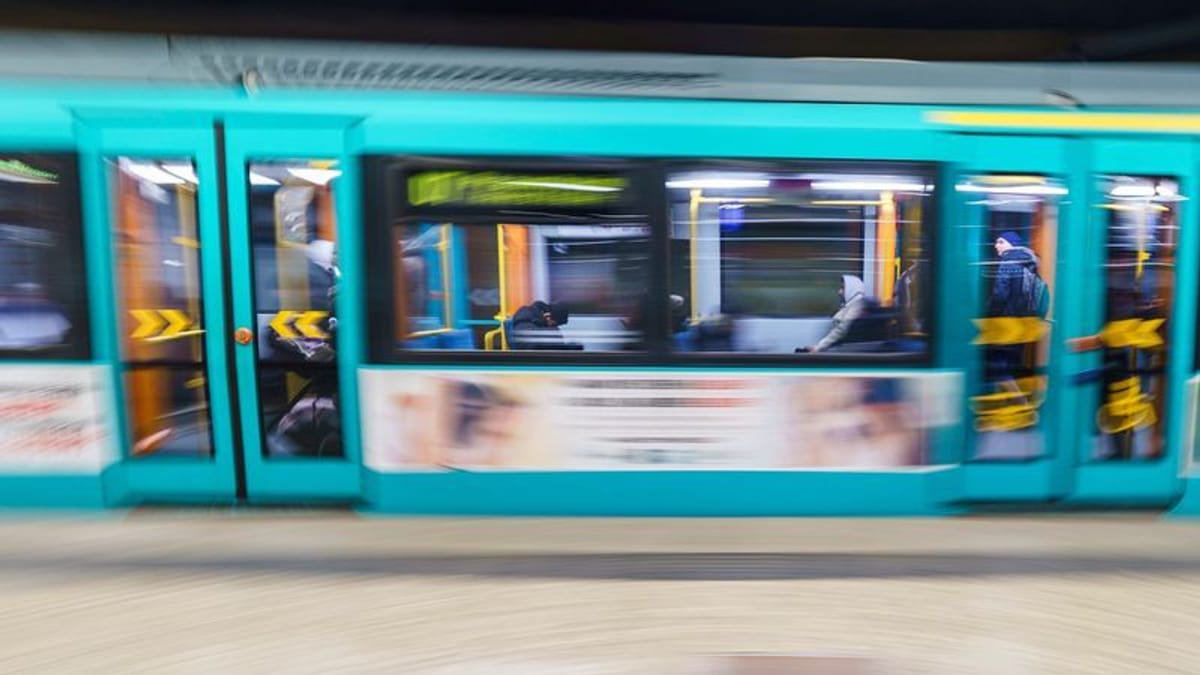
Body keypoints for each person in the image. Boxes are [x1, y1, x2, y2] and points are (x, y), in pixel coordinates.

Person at [798, 274, 871, 353]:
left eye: (843, 288)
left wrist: (818, 347)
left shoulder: (856, 306)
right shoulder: (850, 305)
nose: (839, 292)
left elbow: (840, 331)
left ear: (852, 289)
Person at [989, 230, 1048, 320]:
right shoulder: (1029, 263)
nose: (996, 246)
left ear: (1012, 244)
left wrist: (991, 314)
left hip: (1008, 318)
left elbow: (1000, 295)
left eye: (1001, 242)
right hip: (1028, 318)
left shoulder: (1008, 262)